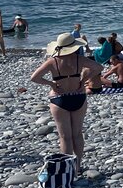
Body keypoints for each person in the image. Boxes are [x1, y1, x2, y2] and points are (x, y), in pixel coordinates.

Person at [30, 33, 102, 175]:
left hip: (59, 99)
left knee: (65, 137)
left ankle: (68, 169)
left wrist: (51, 84)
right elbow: (98, 67)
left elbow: (35, 77)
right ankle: (78, 167)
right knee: (77, 134)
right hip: (78, 96)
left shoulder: (53, 61)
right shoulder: (79, 59)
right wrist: (83, 80)